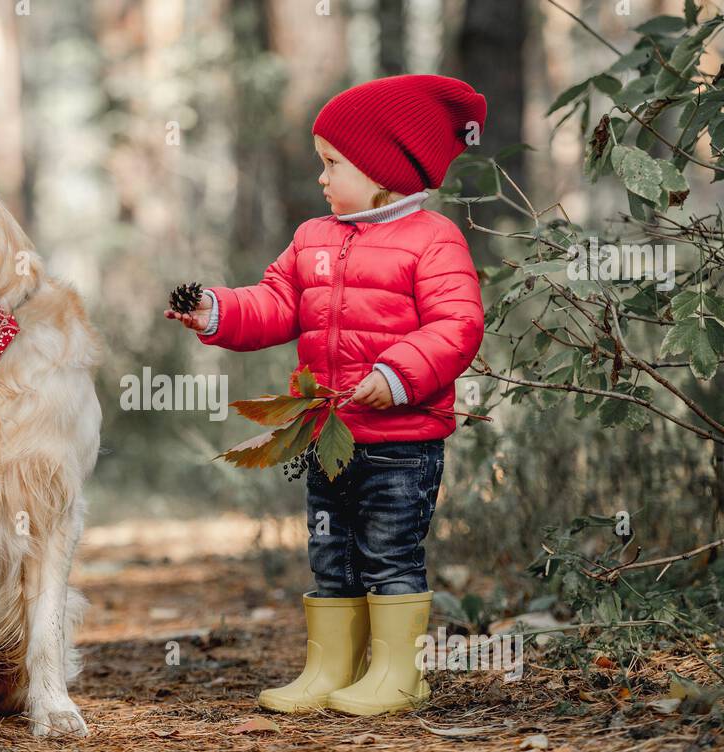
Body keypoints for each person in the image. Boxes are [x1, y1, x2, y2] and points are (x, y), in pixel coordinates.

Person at [164, 74, 487, 716]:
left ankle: (398, 673)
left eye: (333, 163)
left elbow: (458, 325)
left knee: (389, 553)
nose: (322, 178)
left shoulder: (433, 240)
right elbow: (277, 302)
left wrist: (397, 375)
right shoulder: (312, 238)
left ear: (383, 168)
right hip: (326, 437)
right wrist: (217, 312)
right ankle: (330, 667)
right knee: (331, 553)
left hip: (401, 443)